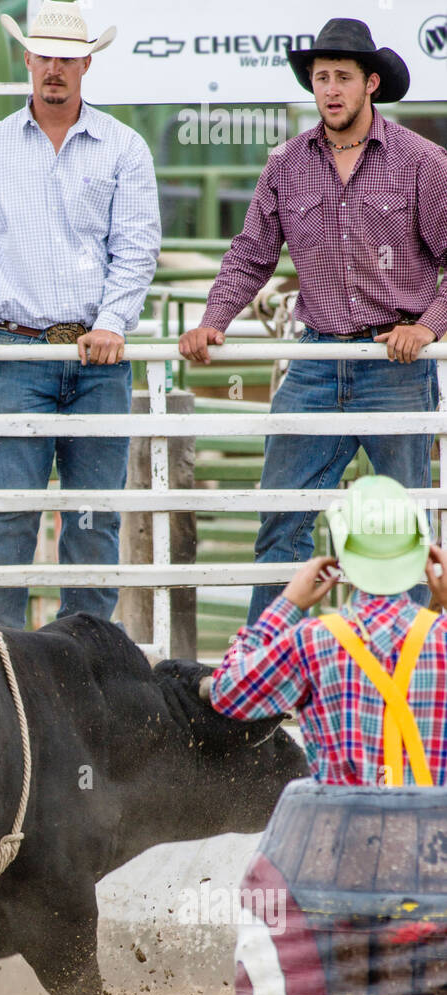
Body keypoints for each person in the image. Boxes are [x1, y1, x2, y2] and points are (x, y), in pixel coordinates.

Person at [179, 17, 447, 626]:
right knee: (283, 518)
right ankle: (266, 681)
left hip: (395, 364)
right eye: (321, 78)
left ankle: (397, 671)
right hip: (317, 357)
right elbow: (252, 253)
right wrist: (213, 318)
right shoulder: (286, 165)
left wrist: (427, 326)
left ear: (370, 83)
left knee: (402, 528)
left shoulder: (423, 164)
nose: (330, 89)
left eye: (342, 78)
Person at [0, 0, 160, 628]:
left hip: (95, 354)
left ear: (86, 64)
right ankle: (0, 662)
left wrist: (112, 322)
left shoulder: (124, 149)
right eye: (44, 56)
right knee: (10, 512)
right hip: (19, 348)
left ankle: (84, 663)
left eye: (66, 58)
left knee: (92, 516)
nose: (54, 68)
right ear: (28, 60)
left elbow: (136, 248)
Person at [209, 475, 447, 786]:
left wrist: (287, 604)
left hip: (343, 829)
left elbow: (227, 693)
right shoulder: (441, 638)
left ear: (341, 552)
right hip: (432, 832)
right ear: (423, 554)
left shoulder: (312, 641)